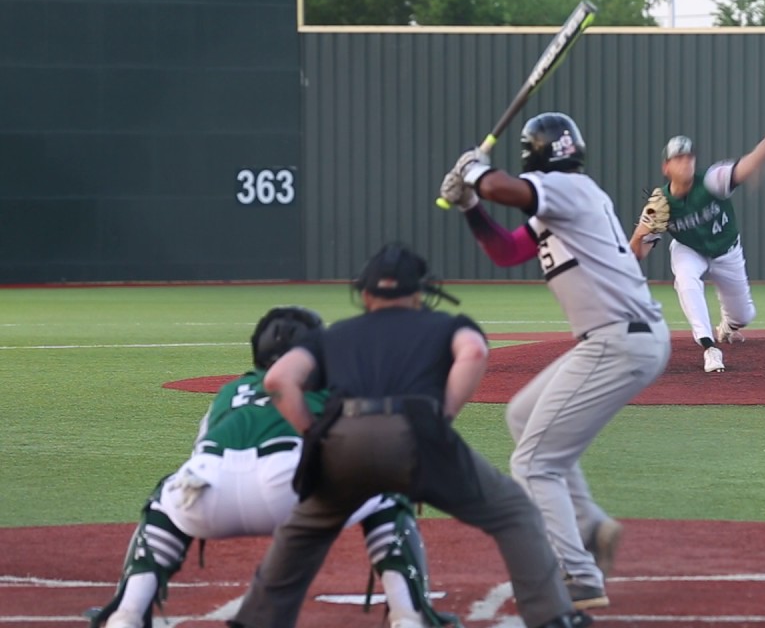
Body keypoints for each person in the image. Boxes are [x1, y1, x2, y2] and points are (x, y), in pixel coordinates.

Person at [230, 243, 588, 628]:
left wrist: (315, 432)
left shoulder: (335, 335)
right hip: (418, 434)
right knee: (514, 513)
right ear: (420, 292)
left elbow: (278, 379)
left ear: (365, 292)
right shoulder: (448, 325)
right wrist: (444, 413)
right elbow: (474, 353)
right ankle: (552, 618)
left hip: (344, 438)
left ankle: (254, 621)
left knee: (302, 532)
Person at [88, 306, 455, 628]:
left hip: (207, 491)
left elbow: (202, 445)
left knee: (165, 502)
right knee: (386, 491)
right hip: (290, 489)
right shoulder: (337, 385)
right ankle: (409, 616)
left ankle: (126, 615)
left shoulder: (230, 391)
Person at [439, 112, 672, 610]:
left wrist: (476, 172)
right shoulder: (566, 199)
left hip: (620, 339)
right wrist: (471, 206)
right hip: (615, 339)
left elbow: (507, 189)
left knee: (533, 463)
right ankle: (590, 527)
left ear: (533, 155)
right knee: (522, 416)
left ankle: (580, 575)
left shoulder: (566, 188)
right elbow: (505, 251)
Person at [628, 85, 765, 372]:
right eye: (678, 157)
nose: (685, 161)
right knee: (685, 279)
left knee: (744, 315)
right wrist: (639, 232)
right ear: (666, 166)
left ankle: (728, 326)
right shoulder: (660, 204)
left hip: (726, 251)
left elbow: (756, 158)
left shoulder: (713, 180)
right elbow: (634, 257)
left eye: (689, 156)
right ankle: (709, 347)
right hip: (689, 249)